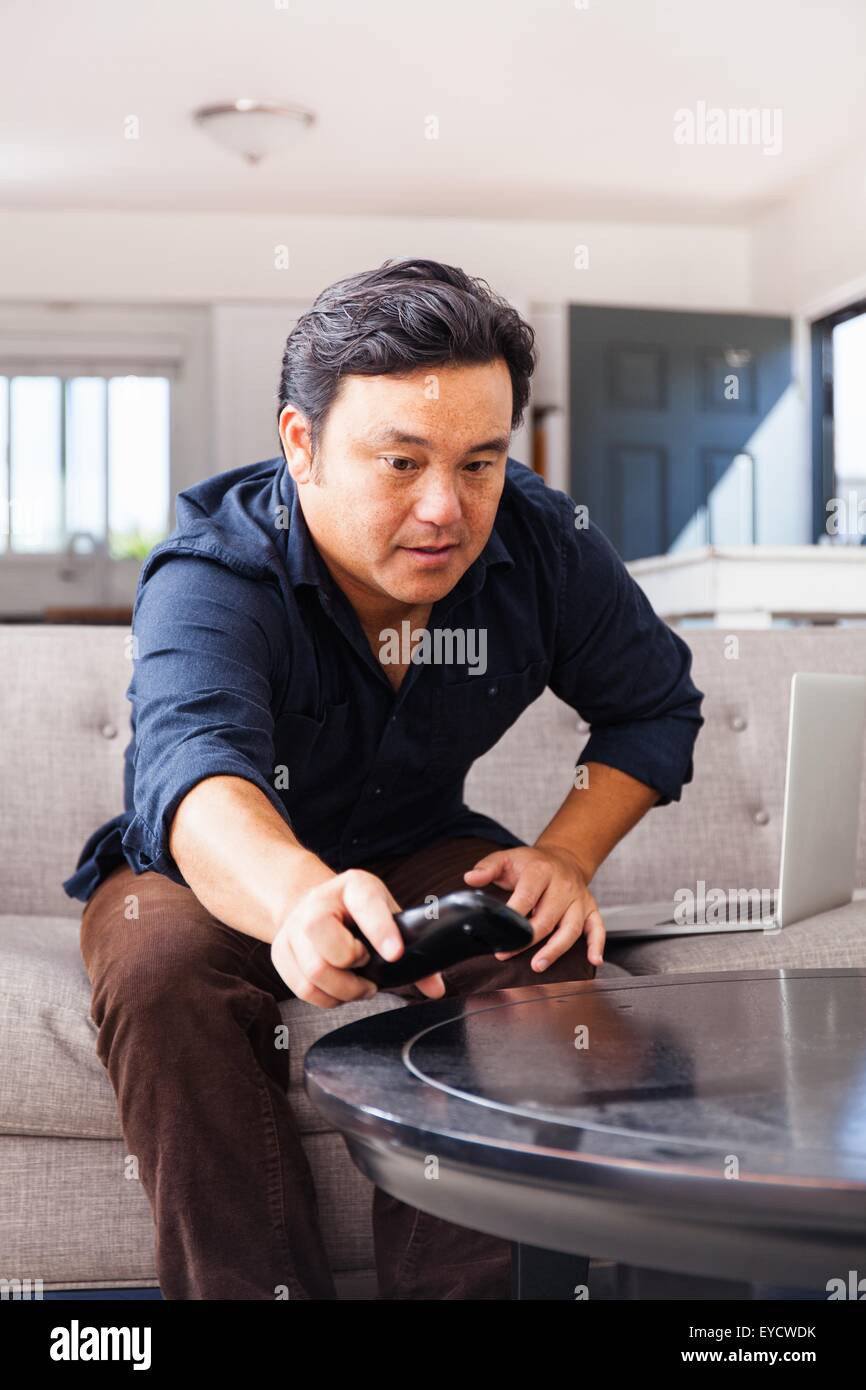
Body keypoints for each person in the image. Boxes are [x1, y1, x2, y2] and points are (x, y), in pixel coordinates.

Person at [64, 257, 705, 1300]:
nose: (445, 510)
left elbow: (652, 703)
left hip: (414, 843)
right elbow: (196, 770)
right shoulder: (212, 570)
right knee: (153, 968)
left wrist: (562, 854)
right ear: (300, 445)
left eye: (480, 464)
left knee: (525, 945)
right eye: (400, 462)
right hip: (202, 871)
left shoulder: (541, 543)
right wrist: (296, 898)